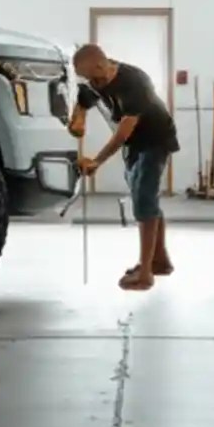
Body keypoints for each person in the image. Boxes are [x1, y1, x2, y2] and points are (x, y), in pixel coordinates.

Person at [69, 44, 180, 291]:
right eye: (87, 78)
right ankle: (160, 261)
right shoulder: (97, 80)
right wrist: (79, 117)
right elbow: (85, 96)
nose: (92, 82)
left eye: (92, 76)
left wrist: (97, 161)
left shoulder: (135, 81)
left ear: (101, 64)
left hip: (155, 139)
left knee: (143, 199)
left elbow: (122, 133)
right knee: (145, 198)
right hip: (135, 144)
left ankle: (145, 272)